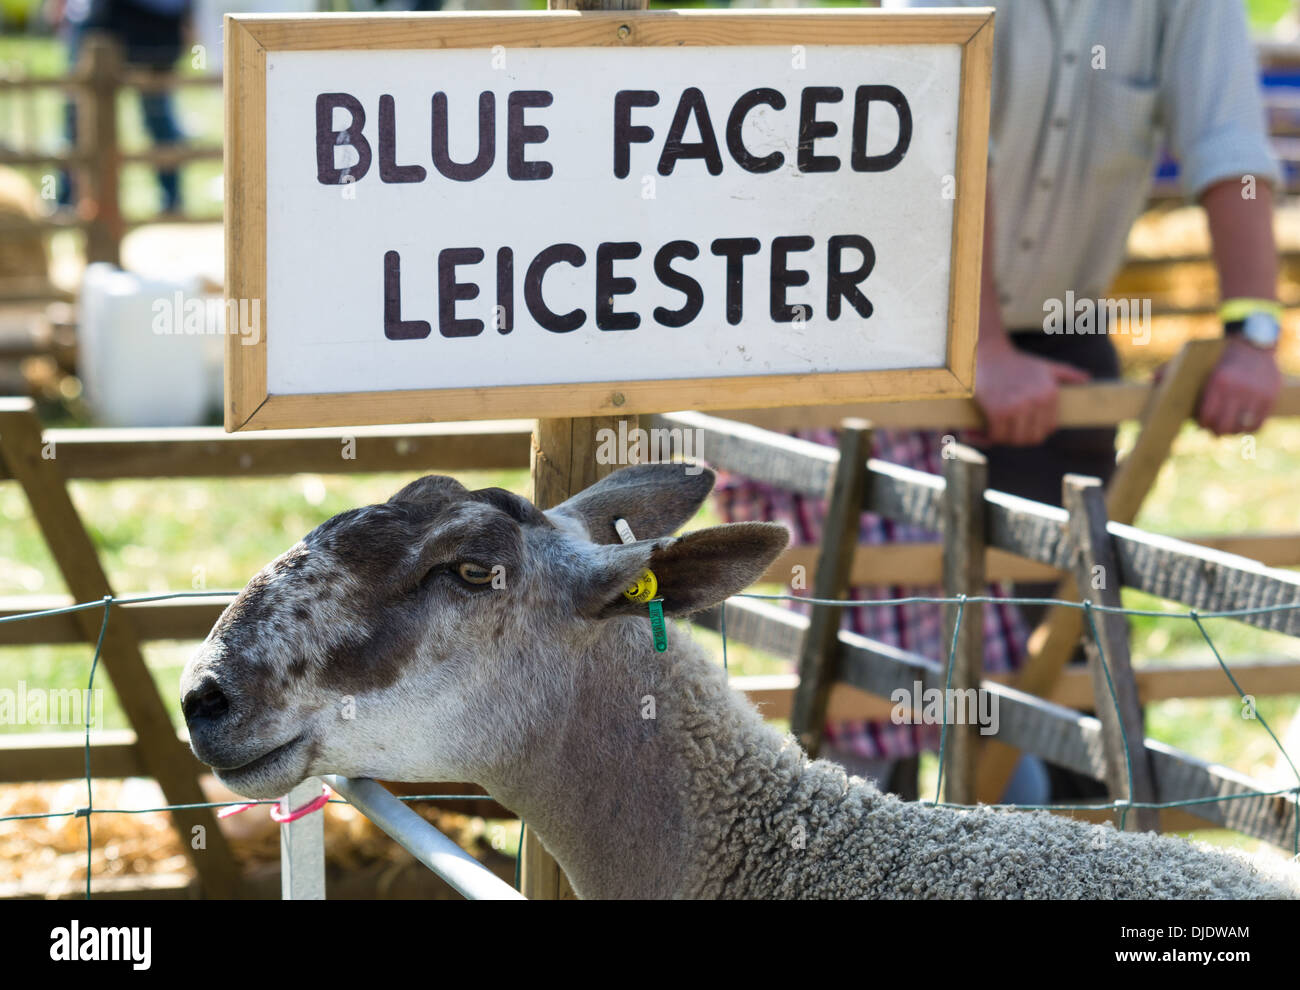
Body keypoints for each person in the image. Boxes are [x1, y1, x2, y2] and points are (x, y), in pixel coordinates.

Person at [718, 0, 1284, 802]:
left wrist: (1251, 335)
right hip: (896, 336)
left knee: (1054, 648)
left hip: (1055, 352)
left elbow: (1230, 146)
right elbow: (941, 113)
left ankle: (1079, 870)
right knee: (891, 647)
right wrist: (979, 346)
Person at [55, 0, 192, 214]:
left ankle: (172, 202)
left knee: (157, 115)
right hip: (103, 19)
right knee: (78, 115)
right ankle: (66, 201)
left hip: (153, 22)